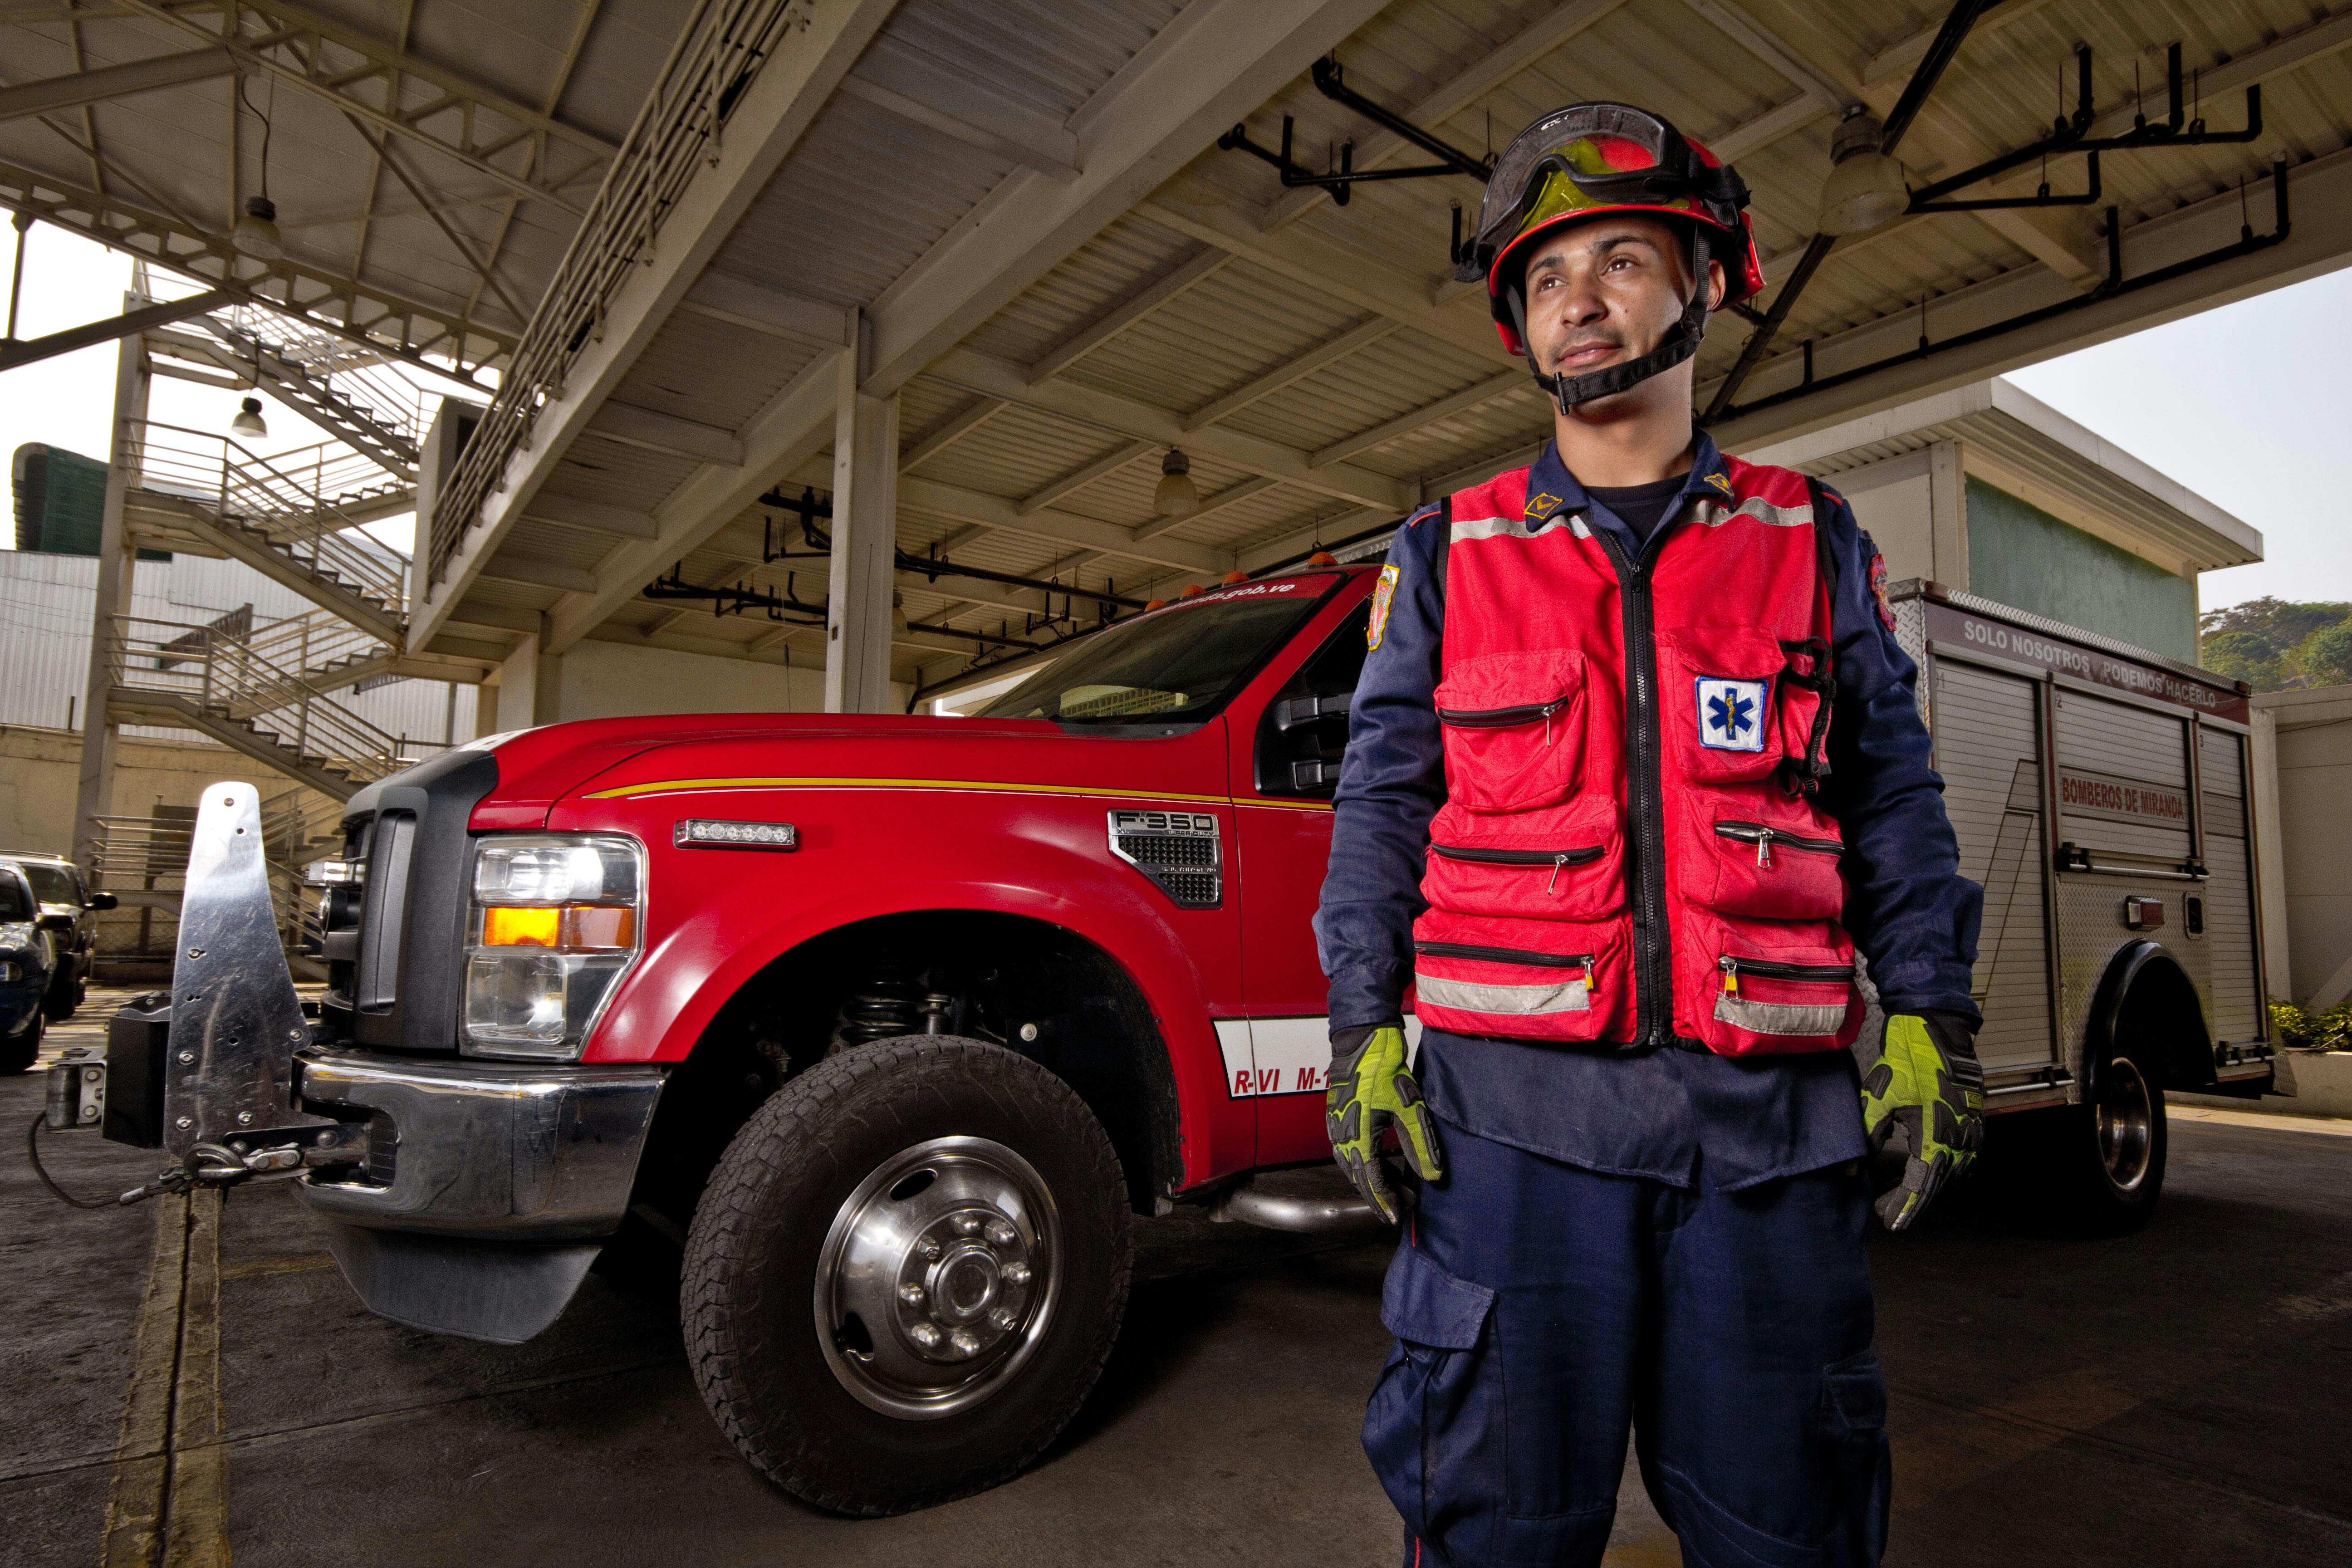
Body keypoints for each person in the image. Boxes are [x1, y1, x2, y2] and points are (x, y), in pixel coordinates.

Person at [1313, 103, 1987, 1568]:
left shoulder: (1809, 541)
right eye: (1548, 277)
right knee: (1495, 1532)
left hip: (1769, 1144)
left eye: (1620, 259)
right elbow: (1381, 805)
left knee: (1787, 1531)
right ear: (1521, 327)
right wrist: (1361, 1025)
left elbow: (1891, 799)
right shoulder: (1444, 553)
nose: (1580, 300)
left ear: (1706, 281)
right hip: (1507, 1144)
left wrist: (1931, 1011)